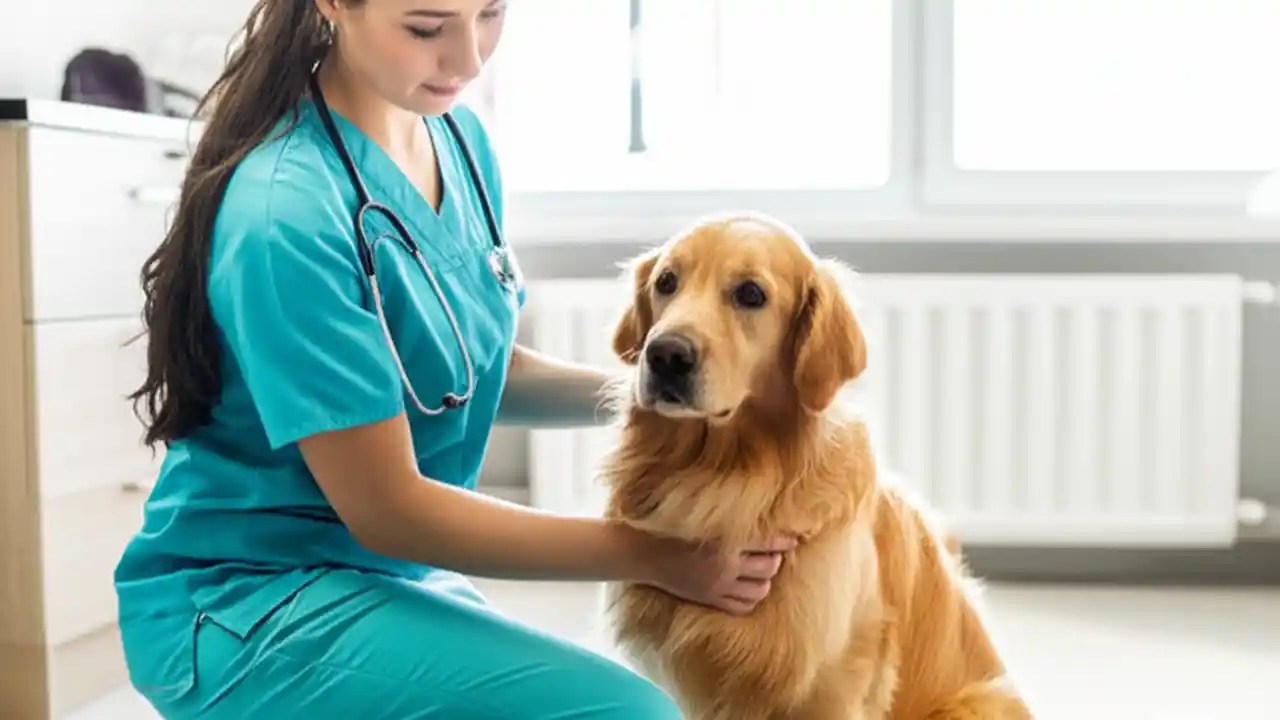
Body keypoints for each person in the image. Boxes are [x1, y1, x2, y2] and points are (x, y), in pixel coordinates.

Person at [113, 1, 795, 718]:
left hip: (383, 573)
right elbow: (390, 510)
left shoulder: (457, 138)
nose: (470, 59)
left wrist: (658, 389)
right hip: (249, 599)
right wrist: (655, 554)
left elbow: (466, 370)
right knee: (632, 712)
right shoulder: (286, 212)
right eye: (426, 27)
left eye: (491, 13)